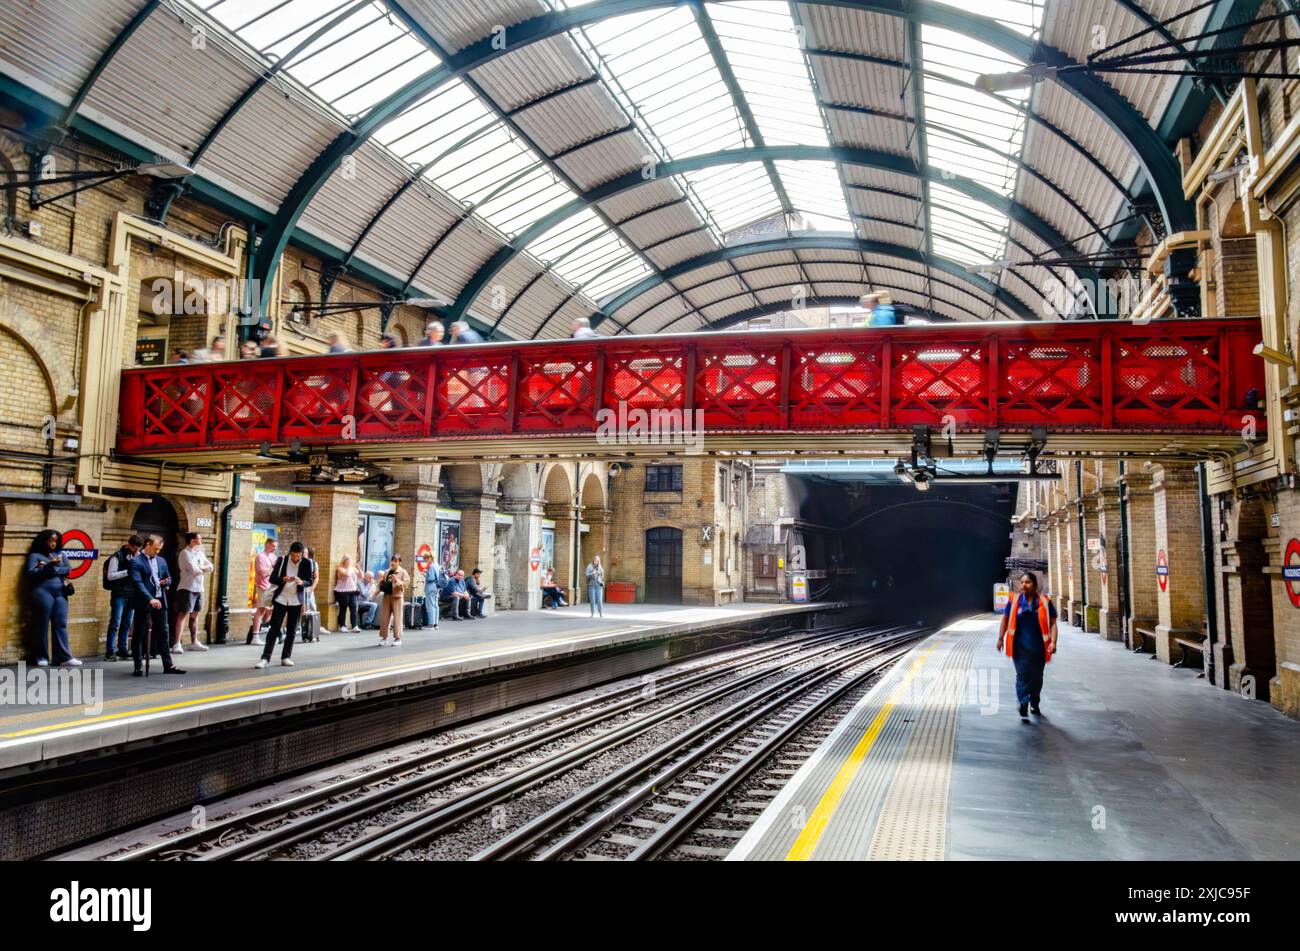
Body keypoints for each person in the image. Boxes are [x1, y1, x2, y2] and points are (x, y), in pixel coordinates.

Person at [995, 571, 1059, 719]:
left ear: (1035, 585)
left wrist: (1053, 642)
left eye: (1028, 582)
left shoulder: (1044, 601)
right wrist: (1000, 638)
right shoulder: (1014, 600)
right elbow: (1005, 619)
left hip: (1039, 649)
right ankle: (1023, 703)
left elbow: (1053, 624)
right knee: (1022, 676)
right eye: (1022, 582)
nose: (1024, 585)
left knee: (1037, 677)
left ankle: (1034, 702)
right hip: (1019, 648)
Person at [128, 534, 185, 677]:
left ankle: (168, 665)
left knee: (164, 633)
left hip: (161, 600)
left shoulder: (161, 561)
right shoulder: (136, 562)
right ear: (147, 545)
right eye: (155, 549)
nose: (157, 552)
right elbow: (138, 583)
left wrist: (166, 582)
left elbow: (169, 578)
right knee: (139, 634)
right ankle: (138, 666)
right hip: (144, 602)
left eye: (159, 549)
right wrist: (150, 599)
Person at [255, 541, 313, 668]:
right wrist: (283, 579)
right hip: (281, 598)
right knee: (274, 629)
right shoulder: (282, 560)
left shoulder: (307, 563)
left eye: (298, 556)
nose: (295, 558)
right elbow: (272, 578)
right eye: (293, 555)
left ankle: (286, 657)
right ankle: (265, 658)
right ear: (290, 552)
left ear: (302, 554)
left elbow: (310, 581)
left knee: (292, 630)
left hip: (296, 600)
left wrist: (301, 582)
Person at [26, 530, 77, 668]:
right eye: (50, 541)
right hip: (42, 592)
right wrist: (50, 565)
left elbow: (68, 570)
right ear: (43, 541)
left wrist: (49, 568)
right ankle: (41, 657)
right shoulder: (35, 555)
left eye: (55, 541)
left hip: (60, 592)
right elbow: (31, 573)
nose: (53, 544)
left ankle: (64, 657)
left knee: (61, 623)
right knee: (41, 624)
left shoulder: (60, 554)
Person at [173, 532, 213, 653]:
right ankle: (177, 644)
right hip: (187, 588)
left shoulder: (199, 553)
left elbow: (211, 566)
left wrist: (202, 567)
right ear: (192, 540)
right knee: (183, 615)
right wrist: (202, 568)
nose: (201, 540)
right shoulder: (185, 553)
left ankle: (194, 642)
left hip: (199, 588)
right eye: (198, 538)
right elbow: (194, 570)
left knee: (195, 615)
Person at [248, 537, 278, 645]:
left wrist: (273, 569)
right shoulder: (260, 557)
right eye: (273, 546)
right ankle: (255, 636)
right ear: (267, 545)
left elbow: (277, 570)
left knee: (269, 610)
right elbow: (263, 572)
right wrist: (273, 569)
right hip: (263, 586)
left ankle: (263, 630)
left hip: (272, 587)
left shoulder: (273, 556)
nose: (275, 548)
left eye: (276, 546)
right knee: (260, 610)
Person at [376, 554, 410, 646]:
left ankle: (397, 638)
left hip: (397, 598)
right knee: (384, 618)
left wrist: (397, 581)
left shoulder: (403, 572)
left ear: (399, 562)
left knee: (397, 618)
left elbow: (406, 585)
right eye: (392, 561)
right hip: (387, 597)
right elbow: (382, 583)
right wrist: (376, 591)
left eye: (395, 561)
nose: (393, 563)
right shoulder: (386, 572)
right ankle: (383, 638)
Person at [334, 554, 362, 632]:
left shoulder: (352, 569)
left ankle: (354, 626)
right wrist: (350, 567)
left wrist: (358, 568)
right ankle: (342, 626)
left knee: (353, 608)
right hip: (342, 591)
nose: (350, 563)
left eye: (351, 561)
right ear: (345, 561)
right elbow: (347, 574)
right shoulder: (340, 569)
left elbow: (361, 576)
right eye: (349, 561)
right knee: (343, 608)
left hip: (352, 591)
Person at [423, 561, 446, 628]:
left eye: (426, 558)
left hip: (430, 587)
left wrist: (425, 573)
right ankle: (436, 623)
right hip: (437, 587)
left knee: (430, 605)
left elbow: (430, 578)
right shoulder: (437, 565)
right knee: (435, 605)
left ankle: (431, 624)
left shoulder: (431, 566)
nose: (426, 560)